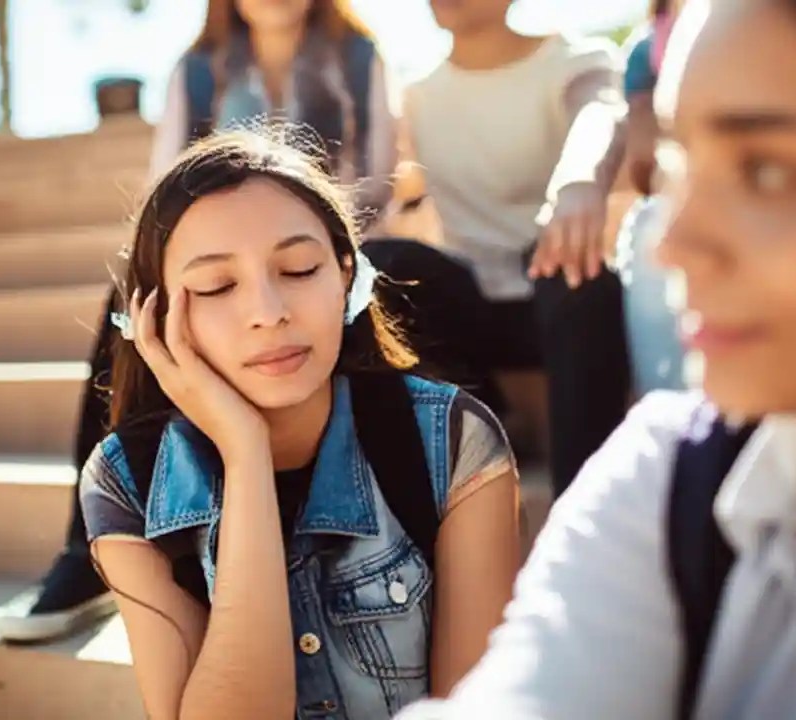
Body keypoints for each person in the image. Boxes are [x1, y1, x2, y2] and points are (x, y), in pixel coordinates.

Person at [398, 0, 796, 717]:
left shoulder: (569, 66)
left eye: (768, 173)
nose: (671, 245)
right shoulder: (671, 484)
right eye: (681, 162)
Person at [0, 0, 402, 642]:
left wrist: (307, 252)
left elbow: (380, 176)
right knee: (131, 298)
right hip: (222, 250)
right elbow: (167, 191)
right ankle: (90, 547)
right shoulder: (199, 69)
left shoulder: (357, 54)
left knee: (400, 267)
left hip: (335, 242)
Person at [79, 128, 520, 719]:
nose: (268, 313)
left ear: (346, 277)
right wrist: (244, 452)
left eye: (299, 269)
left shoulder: (451, 442)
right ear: (155, 318)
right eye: (217, 286)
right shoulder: (126, 481)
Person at [389, 0, 632, 494]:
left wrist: (579, 184)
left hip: (557, 291)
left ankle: (584, 498)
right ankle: (487, 435)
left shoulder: (575, 61)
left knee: (577, 277)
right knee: (387, 264)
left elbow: (599, 115)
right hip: (472, 308)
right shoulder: (415, 95)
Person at [615, 0, 687, 396]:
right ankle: (671, 401)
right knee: (651, 227)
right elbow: (644, 167)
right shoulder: (647, 50)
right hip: (676, 194)